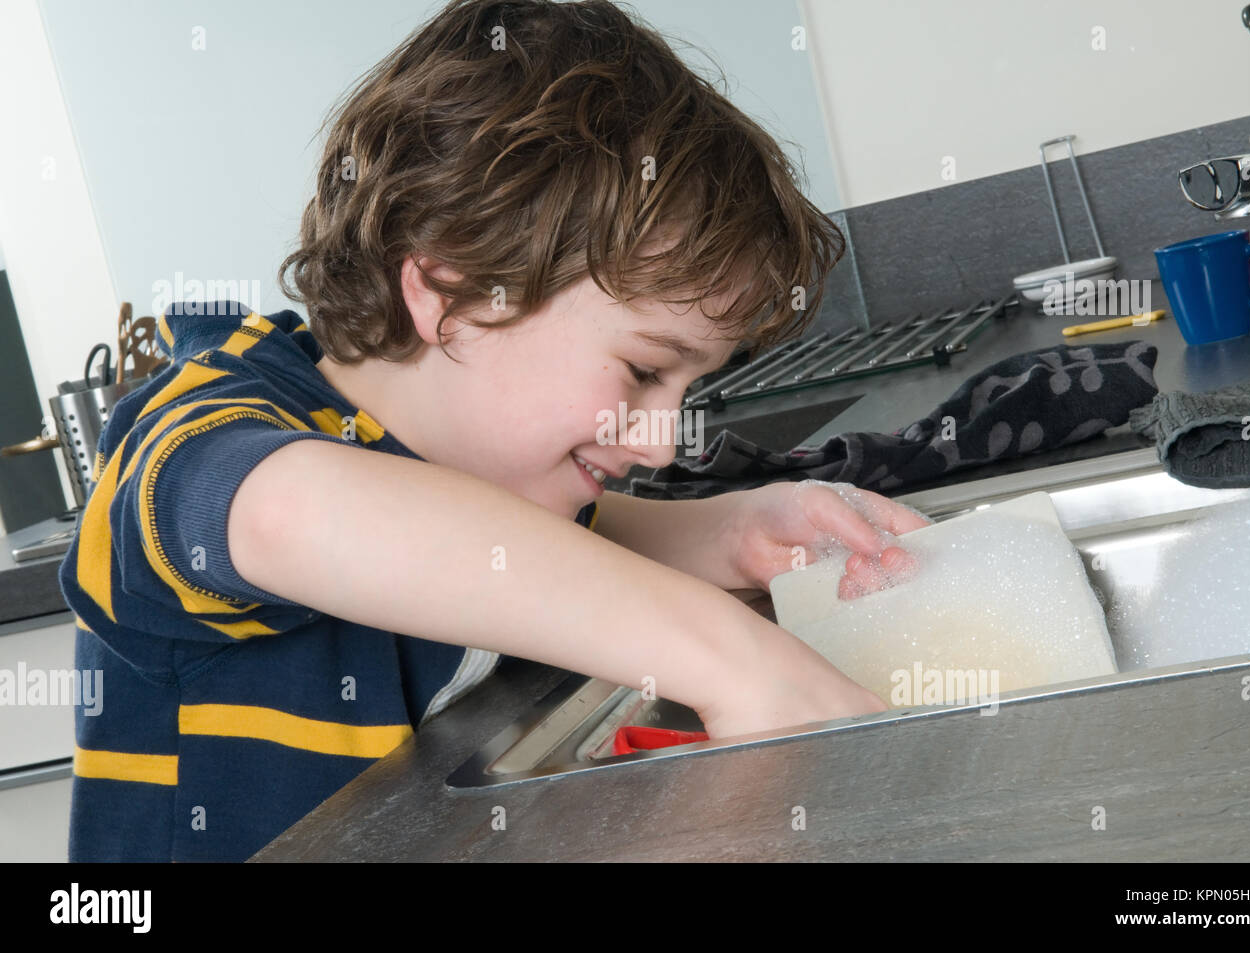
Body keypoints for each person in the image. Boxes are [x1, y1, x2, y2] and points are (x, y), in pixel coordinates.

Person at [58, 0, 927, 862]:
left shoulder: (458, 478)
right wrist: (728, 655)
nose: (661, 442)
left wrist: (731, 532)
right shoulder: (195, 433)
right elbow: (304, 516)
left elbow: (497, 549)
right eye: (640, 370)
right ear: (453, 294)